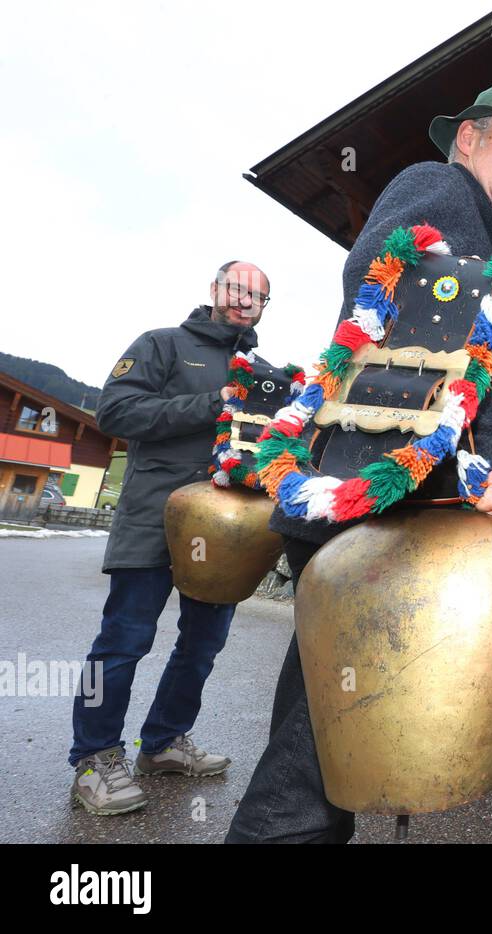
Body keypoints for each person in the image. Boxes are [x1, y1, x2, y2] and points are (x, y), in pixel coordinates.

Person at [225, 82, 492, 844]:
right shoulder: (437, 187)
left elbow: (459, 347)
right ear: (466, 142)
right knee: (312, 765)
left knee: (331, 735)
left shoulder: (487, 237)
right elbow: (421, 317)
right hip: (374, 500)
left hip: (388, 506)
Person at [70, 261, 271, 815]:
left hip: (225, 531)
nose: (244, 300)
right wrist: (212, 405)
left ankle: (161, 744)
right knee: (122, 642)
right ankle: (93, 757)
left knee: (202, 646)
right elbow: (116, 411)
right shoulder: (161, 344)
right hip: (153, 518)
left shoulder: (266, 370)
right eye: (235, 288)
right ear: (213, 290)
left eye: (257, 295)